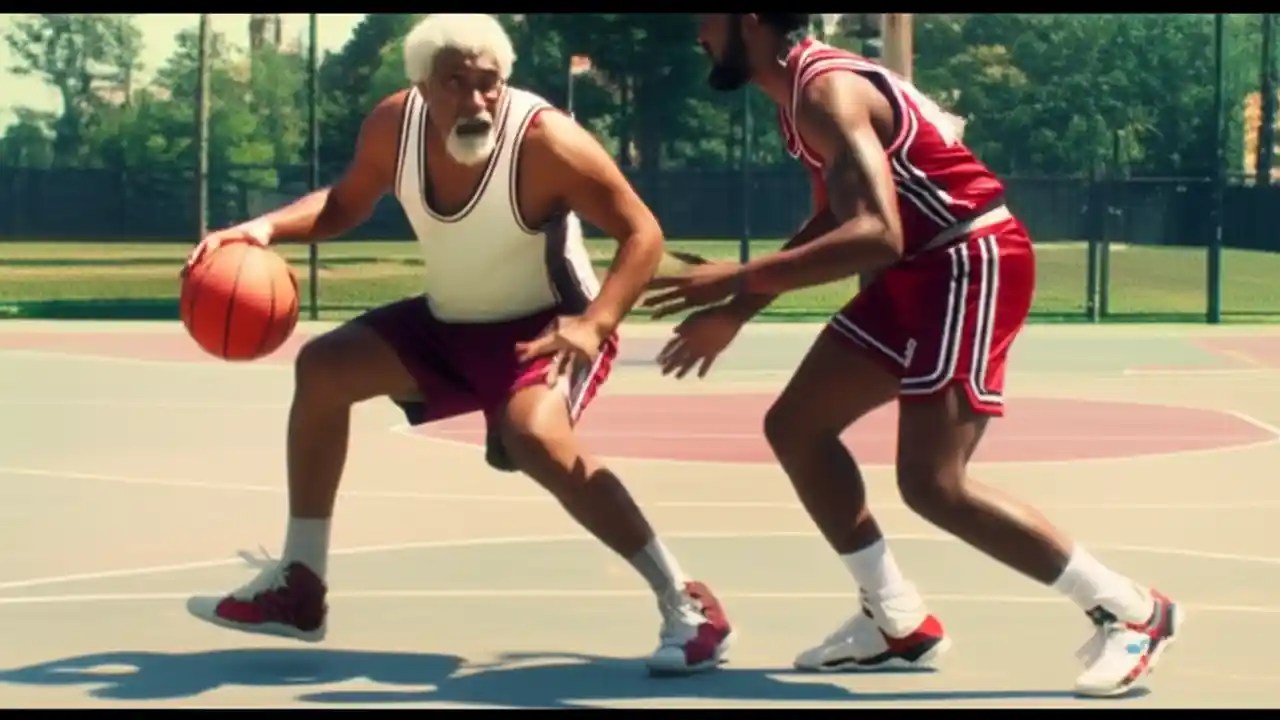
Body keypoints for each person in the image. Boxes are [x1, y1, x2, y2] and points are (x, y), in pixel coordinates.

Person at [644, 13, 1180, 697]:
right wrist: (739, 308)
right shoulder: (799, 97)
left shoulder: (826, 90)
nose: (699, 35)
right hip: (918, 271)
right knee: (795, 428)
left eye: (706, 21)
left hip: (966, 262)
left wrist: (742, 278)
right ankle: (897, 621)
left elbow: (877, 233)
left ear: (748, 21)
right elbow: (840, 218)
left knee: (934, 483)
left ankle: (1133, 612)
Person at [181, 13, 732, 676]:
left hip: (549, 326)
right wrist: (264, 230)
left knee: (533, 438)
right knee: (323, 367)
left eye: (488, 83)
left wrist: (595, 325)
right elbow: (345, 204)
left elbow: (643, 233)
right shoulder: (394, 126)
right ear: (420, 87)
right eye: (454, 83)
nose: (475, 99)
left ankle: (688, 606)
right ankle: (299, 586)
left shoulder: (546, 142)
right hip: (449, 324)